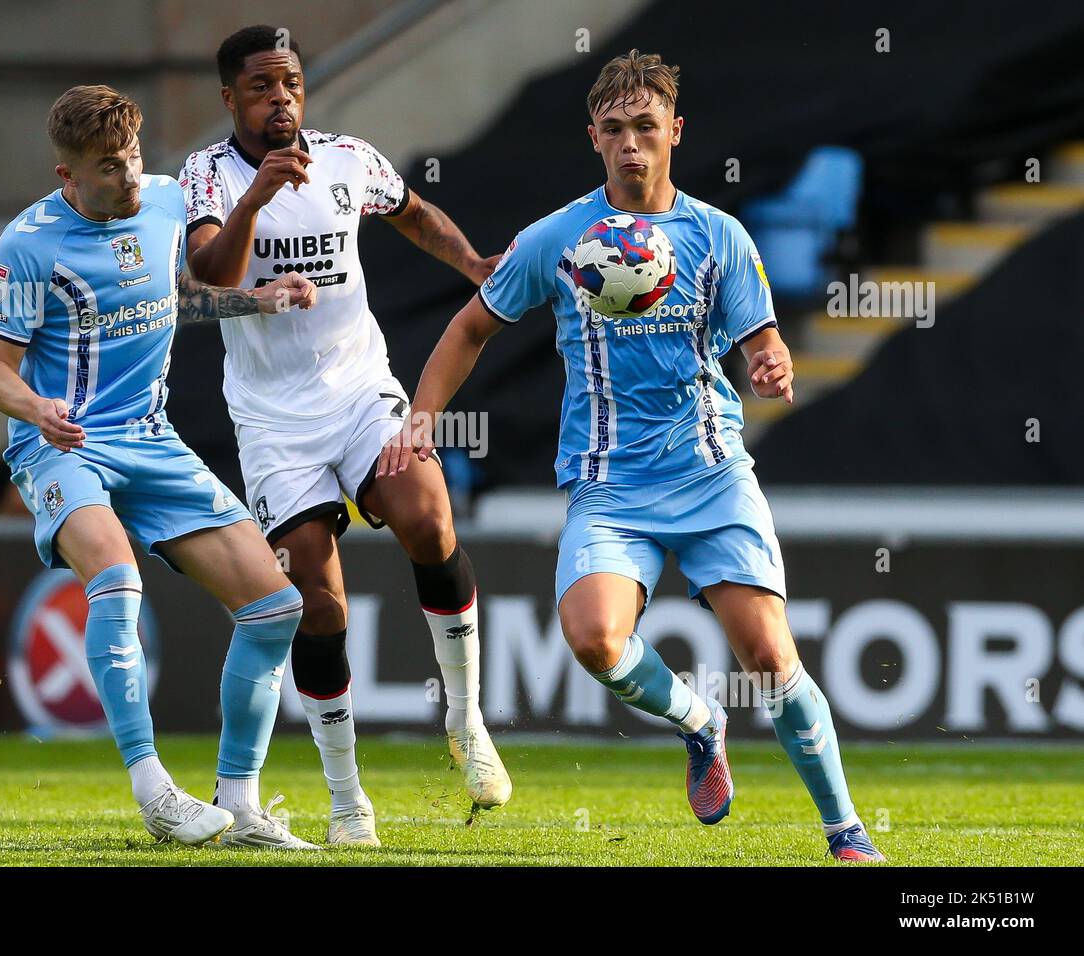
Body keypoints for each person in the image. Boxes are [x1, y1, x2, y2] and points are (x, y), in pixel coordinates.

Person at [379, 50, 886, 862]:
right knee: (591, 638)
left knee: (767, 656)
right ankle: (699, 720)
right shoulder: (561, 238)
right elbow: (472, 324)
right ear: (594, 138)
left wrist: (770, 359)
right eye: (614, 130)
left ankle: (846, 832)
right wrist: (423, 415)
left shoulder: (719, 235)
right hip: (610, 486)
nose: (631, 145)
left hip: (712, 474)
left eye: (646, 128)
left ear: (675, 132)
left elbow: (762, 335)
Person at [182, 25, 511, 846]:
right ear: (231, 99)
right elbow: (210, 278)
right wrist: (256, 197)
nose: (280, 97)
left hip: (362, 392)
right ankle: (346, 799)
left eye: (289, 82)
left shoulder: (346, 157)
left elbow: (412, 212)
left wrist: (471, 264)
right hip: (273, 424)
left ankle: (467, 723)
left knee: (429, 518)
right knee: (317, 604)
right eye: (261, 86)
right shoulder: (207, 176)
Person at [0, 84, 321, 849]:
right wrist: (36, 410)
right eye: (107, 168)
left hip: (151, 438)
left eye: (132, 159)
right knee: (117, 580)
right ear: (66, 175)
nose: (128, 179)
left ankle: (238, 804)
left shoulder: (167, 203)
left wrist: (254, 302)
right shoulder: (26, 245)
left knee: (276, 608)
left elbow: (181, 297)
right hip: (62, 445)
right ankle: (154, 790)